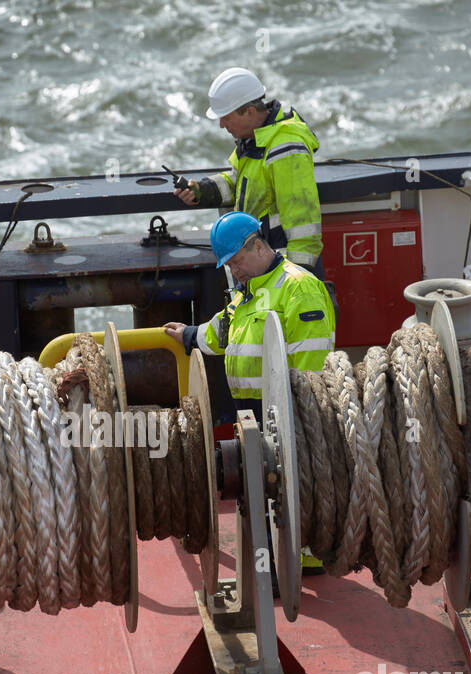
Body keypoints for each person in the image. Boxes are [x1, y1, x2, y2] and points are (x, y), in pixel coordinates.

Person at [164, 212, 334, 577]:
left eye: (237, 262)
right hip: (251, 413)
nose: (234, 271)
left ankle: (302, 554)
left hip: (285, 411)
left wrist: (300, 419)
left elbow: (312, 367)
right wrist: (190, 335)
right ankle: (278, 557)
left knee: (290, 481)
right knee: (262, 490)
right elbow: (223, 332)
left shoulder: (298, 288)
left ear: (258, 246)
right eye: (228, 266)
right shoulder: (248, 292)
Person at [174, 68, 325, 279]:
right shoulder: (254, 140)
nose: (221, 125)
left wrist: (298, 279)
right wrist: (201, 190)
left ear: (250, 112)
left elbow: (303, 222)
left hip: (281, 272)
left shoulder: (286, 148)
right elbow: (238, 184)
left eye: (226, 118)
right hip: (261, 267)